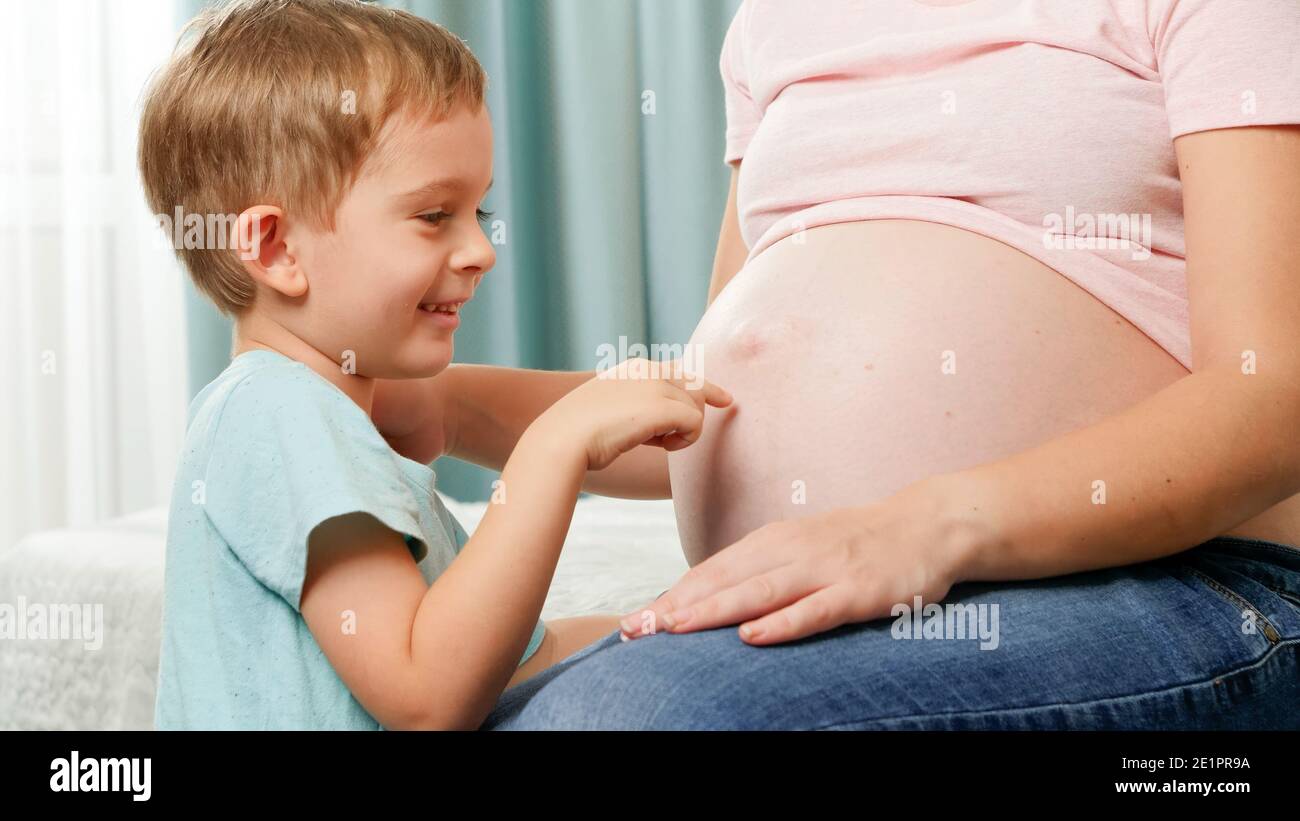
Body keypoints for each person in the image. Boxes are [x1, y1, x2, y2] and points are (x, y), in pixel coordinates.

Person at [471, 0, 1300, 729]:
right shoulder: (775, 20)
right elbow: (699, 412)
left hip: (1173, 575)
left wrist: (924, 527)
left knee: (638, 713)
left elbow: (1276, 395)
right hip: (822, 595)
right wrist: (439, 408)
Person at [143, 0, 730, 730]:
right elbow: (427, 694)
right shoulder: (276, 413)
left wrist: (664, 631)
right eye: (433, 216)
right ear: (276, 250)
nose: (483, 250)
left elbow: (510, 660)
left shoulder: (324, 410)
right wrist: (555, 449)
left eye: (479, 213)